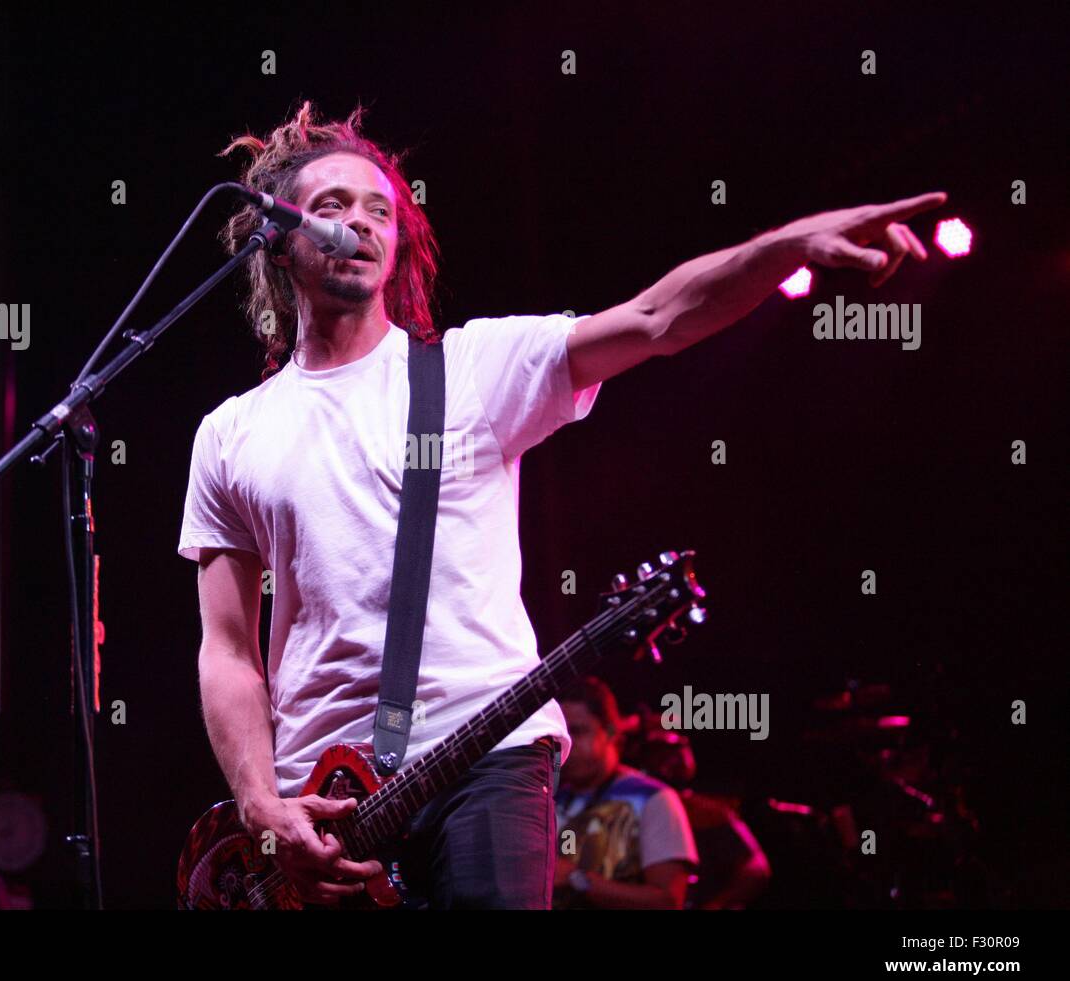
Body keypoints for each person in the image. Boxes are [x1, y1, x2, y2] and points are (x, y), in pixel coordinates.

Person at [180, 100, 946, 908]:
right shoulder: (232, 434)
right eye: (331, 208)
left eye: (379, 210)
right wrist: (261, 805)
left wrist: (784, 246)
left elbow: (657, 317)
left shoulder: (471, 370)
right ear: (276, 239)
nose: (360, 225)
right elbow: (228, 651)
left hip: (489, 757)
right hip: (323, 796)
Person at [553, 678, 698, 908]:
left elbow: (669, 901)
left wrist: (576, 879)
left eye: (577, 731)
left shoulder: (654, 798)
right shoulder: (553, 796)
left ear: (610, 732)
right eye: (560, 735)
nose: (566, 745)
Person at [637, 730, 772, 909]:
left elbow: (756, 869)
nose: (667, 762)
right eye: (658, 754)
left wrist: (717, 904)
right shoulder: (630, 810)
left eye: (673, 753)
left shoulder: (708, 813)